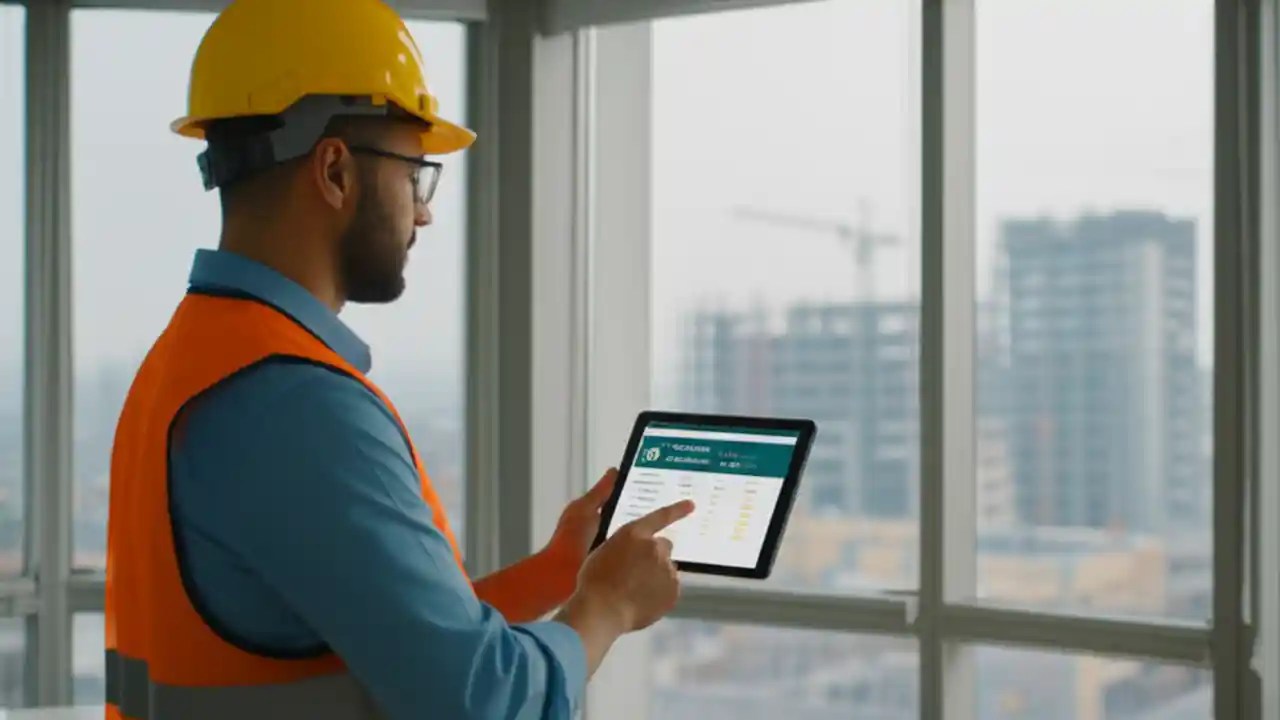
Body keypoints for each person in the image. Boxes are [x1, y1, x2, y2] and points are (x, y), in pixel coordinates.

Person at [102, 1, 694, 718]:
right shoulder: (294, 405)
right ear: (334, 170)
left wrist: (557, 574)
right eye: (415, 174)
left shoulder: (193, 357)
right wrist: (605, 607)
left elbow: (382, 641)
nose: (423, 213)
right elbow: (483, 702)